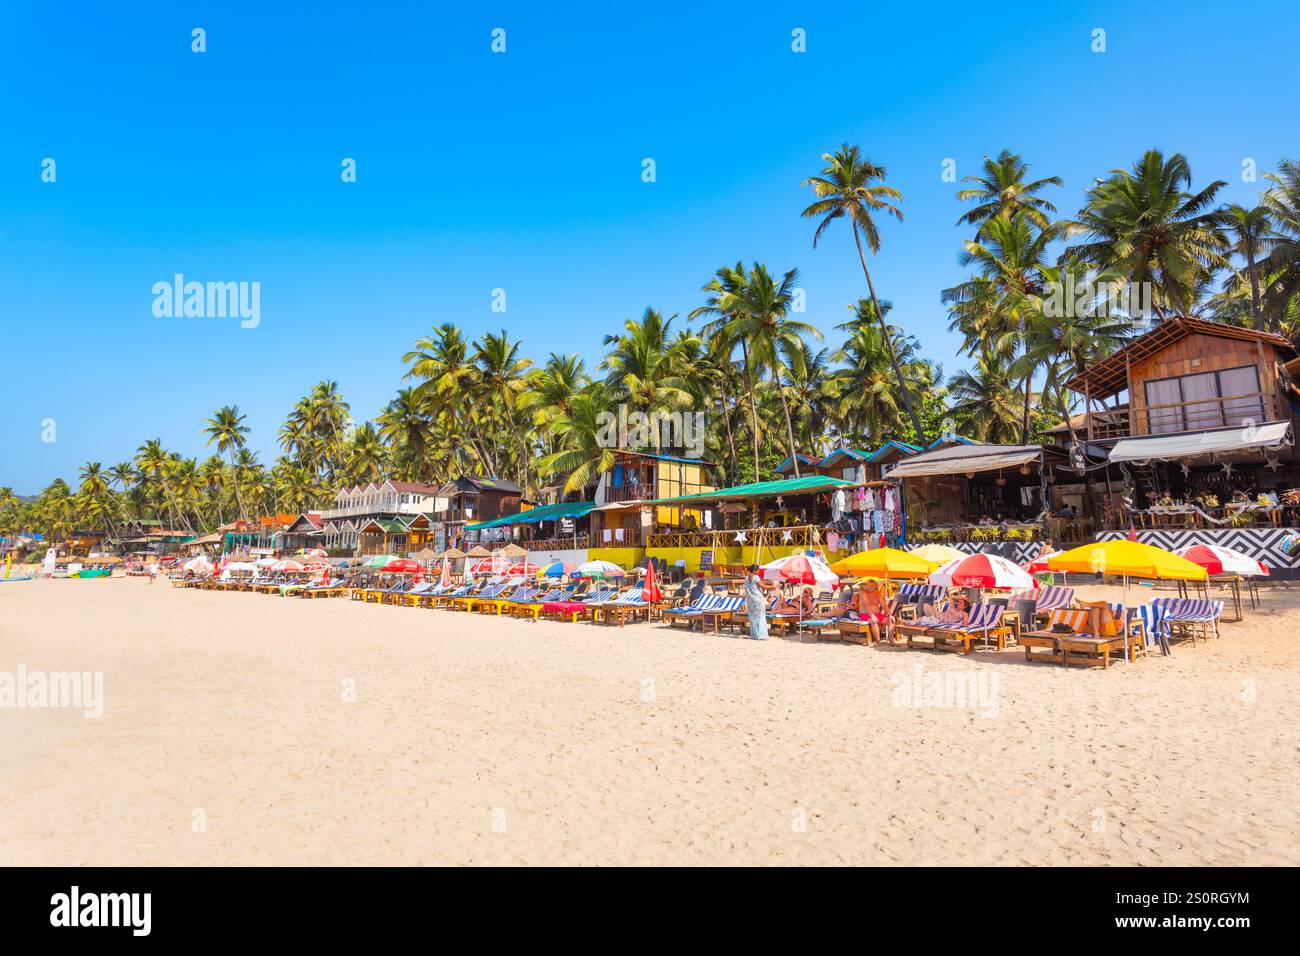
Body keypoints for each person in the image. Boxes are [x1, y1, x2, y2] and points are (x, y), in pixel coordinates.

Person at [743, 564, 772, 640]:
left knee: (753, 618)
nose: (759, 572)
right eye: (758, 570)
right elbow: (763, 586)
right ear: (755, 570)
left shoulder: (746, 578)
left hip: (750, 600)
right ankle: (761, 635)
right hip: (757, 600)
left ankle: (754, 635)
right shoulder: (756, 577)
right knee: (760, 617)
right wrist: (772, 587)